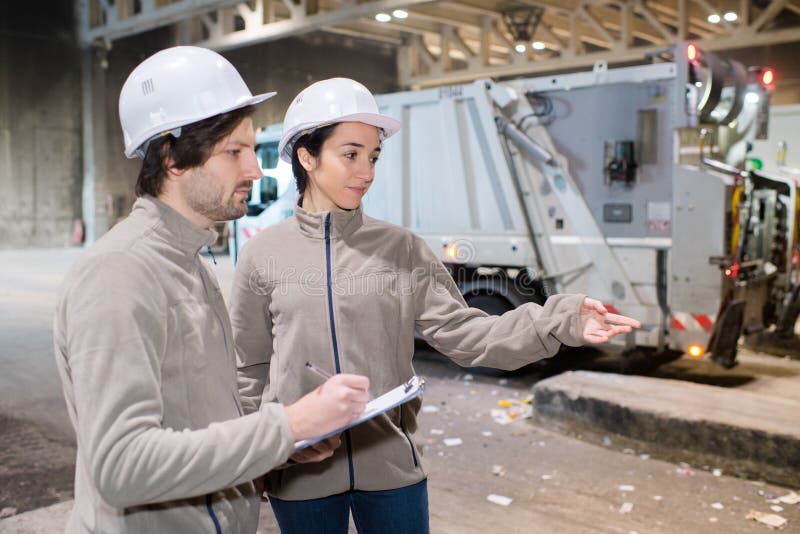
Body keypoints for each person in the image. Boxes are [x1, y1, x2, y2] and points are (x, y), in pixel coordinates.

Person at [230, 77, 641, 533]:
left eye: (373, 157)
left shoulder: (401, 249)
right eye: (350, 155)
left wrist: (559, 320)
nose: (365, 172)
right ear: (307, 156)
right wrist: (262, 451)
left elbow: (468, 334)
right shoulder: (261, 256)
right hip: (300, 472)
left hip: (390, 467)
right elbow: (249, 369)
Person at [53, 49, 370, 534]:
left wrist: (279, 448)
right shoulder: (119, 272)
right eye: (233, 152)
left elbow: (199, 430)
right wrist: (288, 426)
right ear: (170, 157)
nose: (255, 170)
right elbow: (121, 465)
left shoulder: (191, 266)